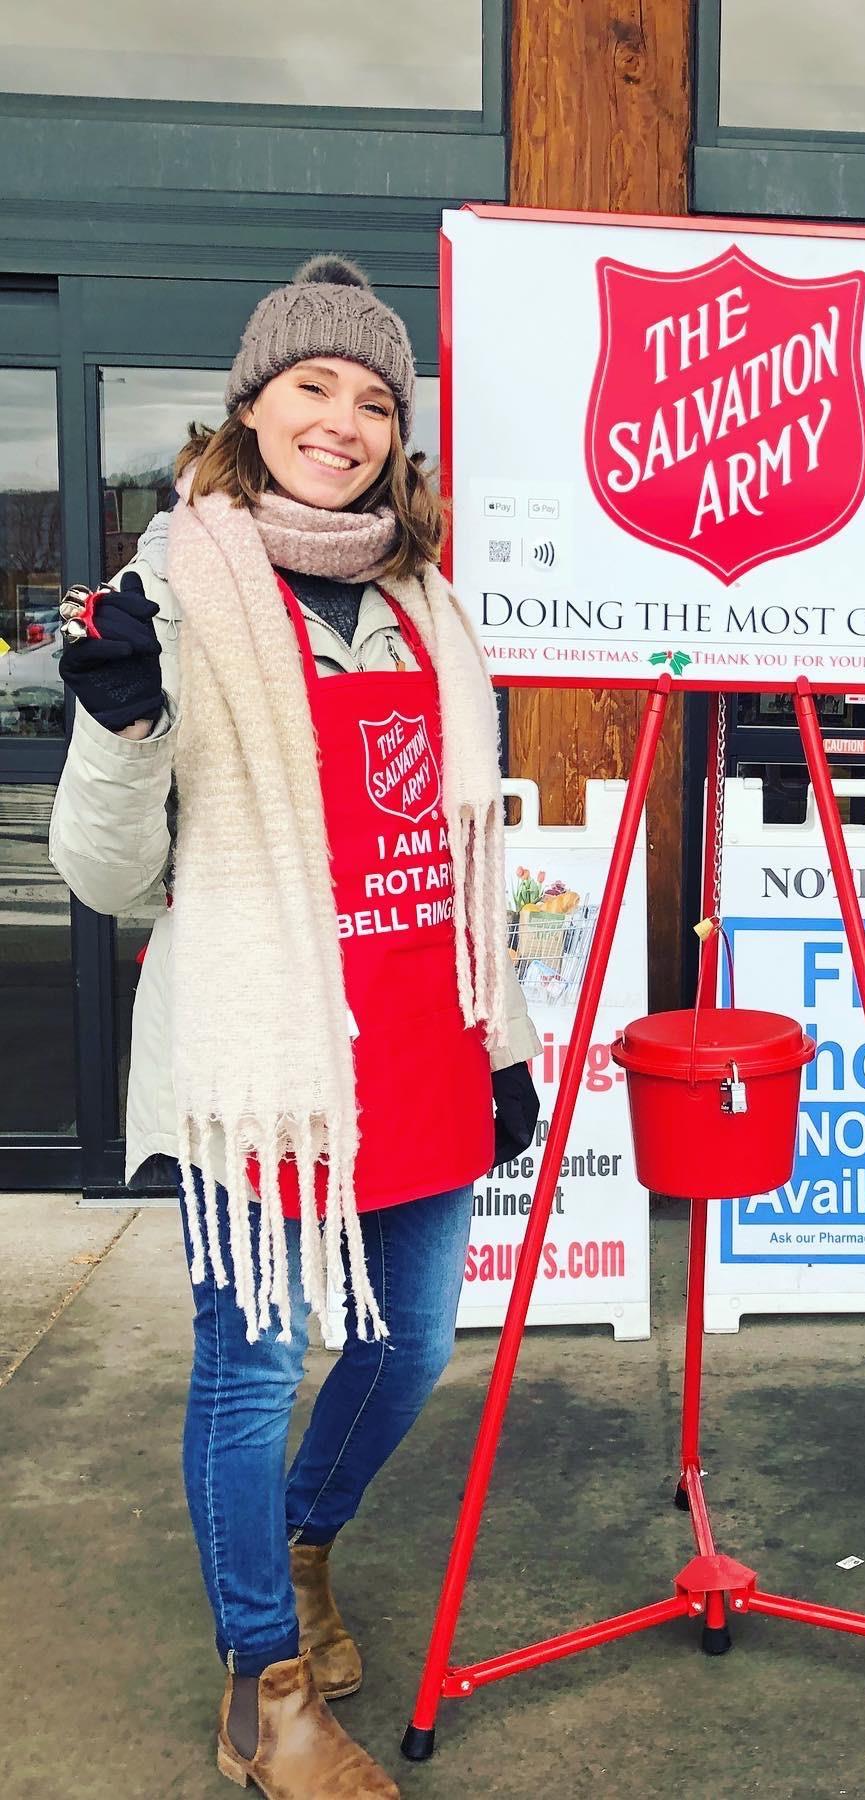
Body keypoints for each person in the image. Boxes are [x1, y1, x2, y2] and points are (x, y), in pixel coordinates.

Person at [49, 256, 542, 1796]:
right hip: (259, 1076)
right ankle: (263, 1691)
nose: (341, 420)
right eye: (313, 386)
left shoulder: (424, 604)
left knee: (408, 1352)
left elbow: (469, 854)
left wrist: (508, 1040)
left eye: (374, 398)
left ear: (401, 432)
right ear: (253, 402)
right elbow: (109, 873)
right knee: (251, 1369)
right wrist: (125, 723)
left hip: (418, 1043)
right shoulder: (175, 592)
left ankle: (304, 1540)